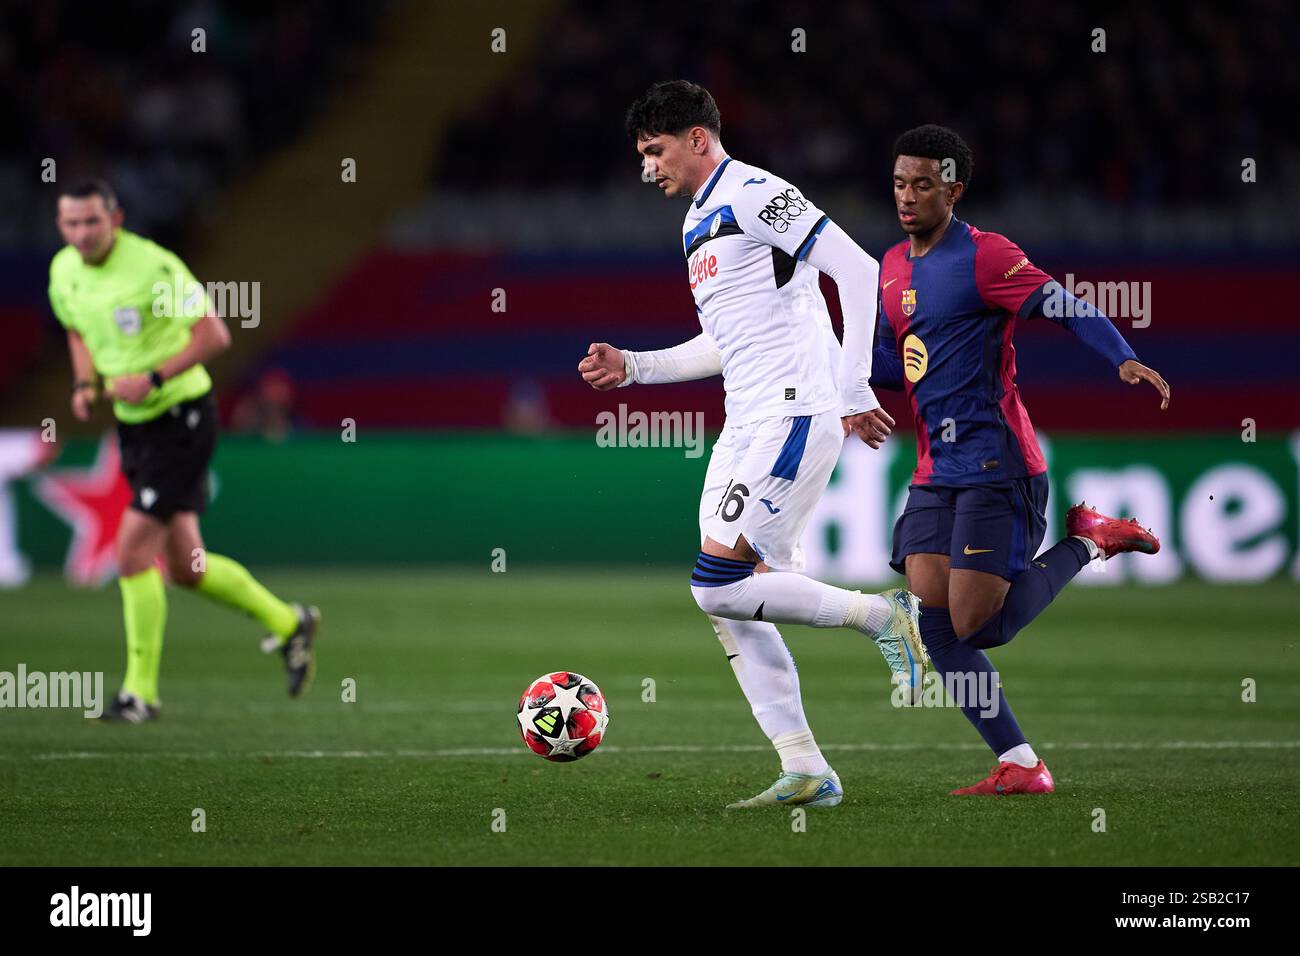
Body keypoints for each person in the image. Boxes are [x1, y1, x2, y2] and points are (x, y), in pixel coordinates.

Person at [579, 81, 927, 808]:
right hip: (746, 422)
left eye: (656, 150)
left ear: (698, 139)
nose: (648, 168)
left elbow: (859, 270)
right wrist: (638, 367)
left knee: (718, 582)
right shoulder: (698, 223)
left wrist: (855, 385)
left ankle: (884, 615)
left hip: (795, 412)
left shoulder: (754, 192)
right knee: (725, 601)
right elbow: (726, 340)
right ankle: (805, 766)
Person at [872, 126, 1169, 794]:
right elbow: (891, 364)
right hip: (934, 468)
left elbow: (1064, 305)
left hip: (995, 462)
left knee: (980, 624)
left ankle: (1088, 544)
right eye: (899, 182)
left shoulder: (986, 256)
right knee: (935, 618)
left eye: (923, 183)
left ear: (954, 188)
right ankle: (1021, 764)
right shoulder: (890, 265)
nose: (908, 195)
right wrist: (825, 373)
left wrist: (1120, 355)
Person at [48, 178, 319, 722]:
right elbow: (77, 330)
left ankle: (138, 695)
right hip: (135, 426)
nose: (80, 233)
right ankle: (291, 623)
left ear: (116, 219)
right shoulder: (64, 271)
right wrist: (83, 385)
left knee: (130, 553)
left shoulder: (154, 267)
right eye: (71, 223)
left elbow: (214, 335)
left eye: (91, 222)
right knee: (187, 566)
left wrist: (153, 375)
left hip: (182, 418)